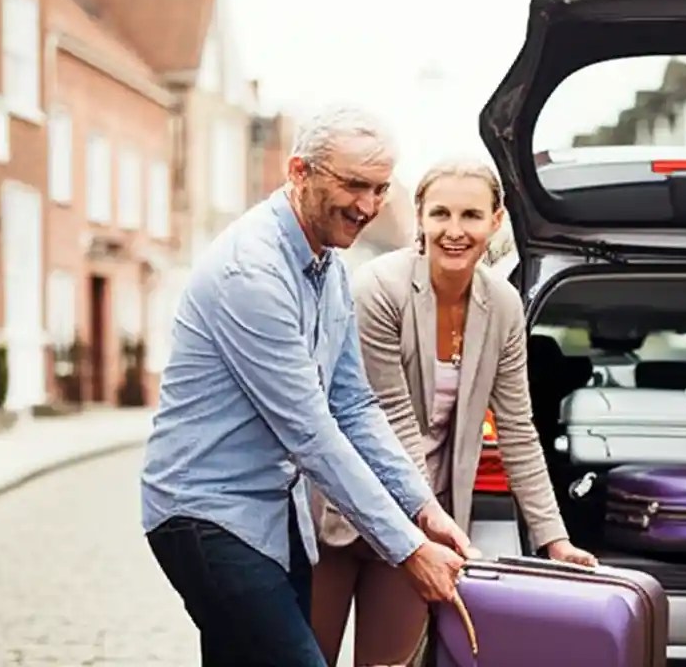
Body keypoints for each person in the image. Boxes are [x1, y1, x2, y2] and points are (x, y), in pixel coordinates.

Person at [139, 107, 478, 667]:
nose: (367, 206)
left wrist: (423, 509)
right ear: (299, 172)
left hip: (275, 519)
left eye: (378, 188)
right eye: (351, 185)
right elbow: (312, 434)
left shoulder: (328, 269)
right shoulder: (252, 273)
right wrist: (410, 550)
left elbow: (353, 404)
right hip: (206, 518)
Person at [309, 158, 597, 666]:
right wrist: (430, 524)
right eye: (441, 214)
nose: (455, 231)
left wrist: (555, 540)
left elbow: (516, 428)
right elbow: (387, 416)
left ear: (496, 220)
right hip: (344, 512)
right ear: (419, 218)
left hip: (425, 522)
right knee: (306, 658)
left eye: (471, 215)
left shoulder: (503, 305)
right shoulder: (378, 288)